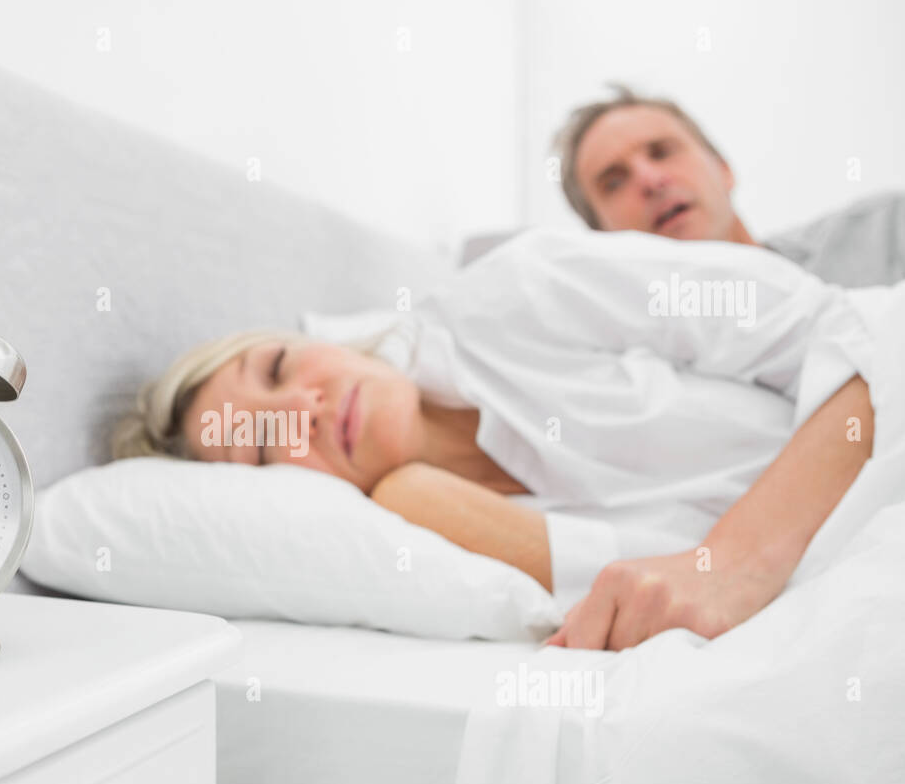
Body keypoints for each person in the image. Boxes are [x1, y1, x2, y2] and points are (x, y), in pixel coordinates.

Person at [112, 226, 896, 653]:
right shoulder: (429, 538)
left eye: (278, 367)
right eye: (262, 443)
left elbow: (850, 327)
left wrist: (737, 557)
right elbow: (636, 584)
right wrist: (409, 494)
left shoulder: (518, 291)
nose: (305, 406)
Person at [553, 84, 905, 288]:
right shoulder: (636, 374)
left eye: (662, 152)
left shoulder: (885, 232)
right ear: (602, 237)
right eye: (614, 182)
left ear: (723, 169)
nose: (650, 180)